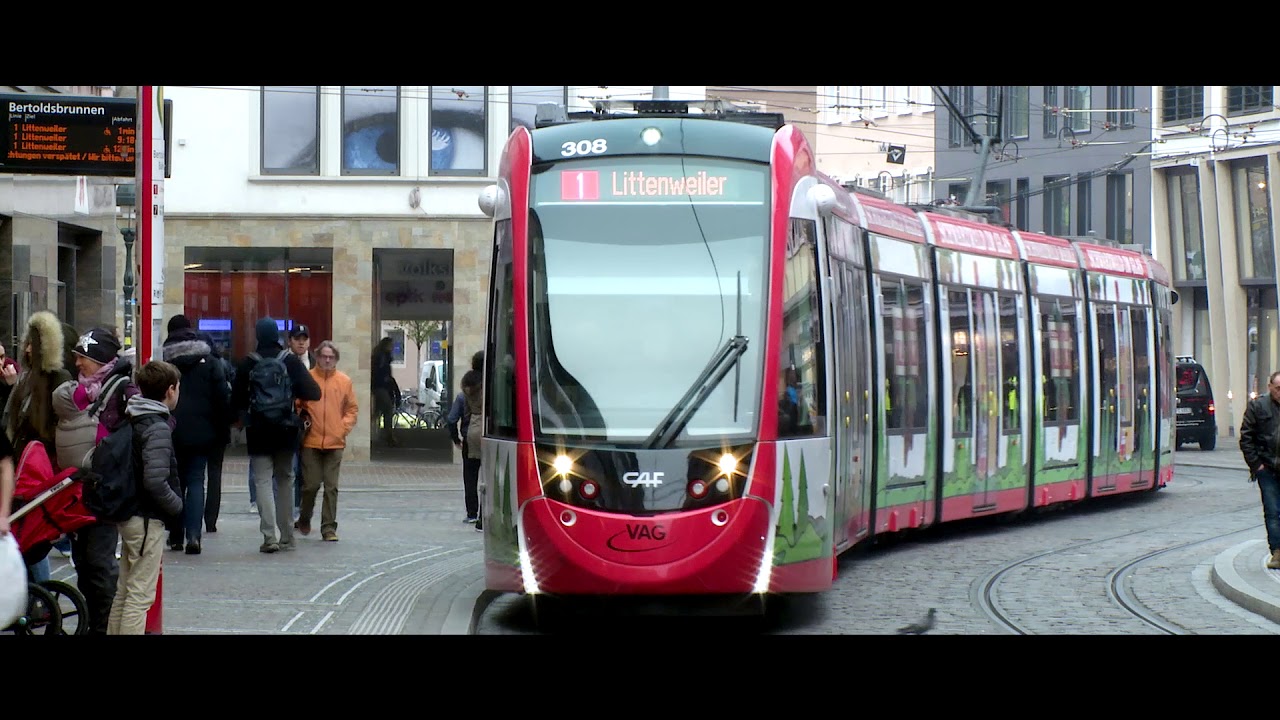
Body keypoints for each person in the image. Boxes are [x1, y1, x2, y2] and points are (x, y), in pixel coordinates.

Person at [52, 327, 137, 634]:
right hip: (76, 491)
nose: (78, 364)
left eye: (83, 358)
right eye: (76, 358)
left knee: (100, 565)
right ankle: (93, 623)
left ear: (101, 360)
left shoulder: (123, 390)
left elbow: (148, 428)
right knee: (84, 567)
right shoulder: (76, 391)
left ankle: (105, 626)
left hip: (104, 490)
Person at [231, 317, 321, 553]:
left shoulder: (248, 363)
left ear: (258, 335)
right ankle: (288, 537)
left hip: (258, 430)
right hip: (285, 429)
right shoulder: (289, 361)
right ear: (278, 335)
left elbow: (236, 401)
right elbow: (314, 392)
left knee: (262, 480)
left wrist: (241, 420)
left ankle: (268, 536)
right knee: (285, 480)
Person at [106, 360, 183, 635]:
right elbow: (155, 479)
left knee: (125, 591)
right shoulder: (158, 426)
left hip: (129, 513)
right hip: (146, 517)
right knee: (140, 596)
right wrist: (176, 506)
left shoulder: (132, 415)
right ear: (171, 390)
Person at [3, 312, 73, 586]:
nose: (28, 349)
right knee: (25, 530)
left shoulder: (58, 378)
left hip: (40, 466)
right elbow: (11, 421)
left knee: (33, 530)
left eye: (33, 343)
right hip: (21, 463)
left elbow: (63, 423)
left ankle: (40, 595)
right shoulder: (24, 379)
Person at [162, 314, 231, 554]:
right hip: (203, 432)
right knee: (196, 480)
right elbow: (222, 399)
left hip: (171, 431)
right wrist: (222, 431)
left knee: (175, 482)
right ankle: (194, 535)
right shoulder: (210, 362)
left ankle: (176, 534)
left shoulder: (165, 363)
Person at [296, 340, 358, 542]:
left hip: (335, 441)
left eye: (331, 357)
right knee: (310, 485)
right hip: (311, 441)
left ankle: (328, 527)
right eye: (324, 356)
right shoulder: (308, 378)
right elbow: (298, 405)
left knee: (331, 487)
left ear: (336, 359)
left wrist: (342, 428)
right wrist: (301, 421)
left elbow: (351, 409)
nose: (327, 360)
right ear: (318, 357)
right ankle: (304, 517)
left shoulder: (344, 381)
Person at [1241, 370, 1280, 570]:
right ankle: (1277, 552)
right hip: (1268, 469)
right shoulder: (1258, 406)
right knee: (1273, 511)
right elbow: (1246, 438)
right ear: (1270, 387)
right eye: (1278, 388)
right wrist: (1257, 466)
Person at [446, 350, 484, 527]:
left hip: (469, 438)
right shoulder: (492, 390)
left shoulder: (463, 395)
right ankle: (484, 514)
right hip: (489, 436)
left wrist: (456, 439)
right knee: (489, 478)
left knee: (470, 477)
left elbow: (451, 419)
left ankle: (471, 513)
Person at [285, 324, 314, 517]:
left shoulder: (315, 363)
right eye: (297, 339)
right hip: (287, 422)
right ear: (290, 341)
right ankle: (290, 508)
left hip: (310, 424)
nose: (301, 342)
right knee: (290, 469)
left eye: (304, 339)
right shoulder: (283, 361)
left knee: (307, 472)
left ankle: (302, 509)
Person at [371, 337, 398, 447]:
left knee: (378, 412)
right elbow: (380, 372)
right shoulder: (382, 356)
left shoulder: (381, 356)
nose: (392, 347)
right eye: (391, 345)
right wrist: (385, 379)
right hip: (380, 387)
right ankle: (389, 436)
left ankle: (388, 435)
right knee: (387, 409)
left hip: (380, 386)